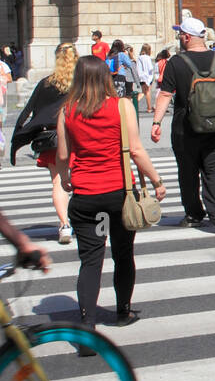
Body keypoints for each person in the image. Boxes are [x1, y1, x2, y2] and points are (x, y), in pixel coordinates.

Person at [57, 55, 167, 328]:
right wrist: (156, 181)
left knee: (90, 262)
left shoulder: (67, 110)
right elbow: (136, 150)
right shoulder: (121, 106)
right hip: (118, 194)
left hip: (85, 197)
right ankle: (123, 312)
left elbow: (62, 155)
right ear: (106, 78)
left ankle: (87, 323)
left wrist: (66, 178)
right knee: (123, 254)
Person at [151, 16, 215, 232]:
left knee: (188, 172)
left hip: (186, 129)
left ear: (186, 37)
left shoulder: (176, 62)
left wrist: (156, 122)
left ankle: (193, 214)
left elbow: (165, 94)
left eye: (180, 34)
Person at [9, 41, 79, 243]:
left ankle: (64, 225)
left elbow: (28, 111)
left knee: (58, 182)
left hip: (52, 139)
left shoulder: (46, 83)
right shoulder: (80, 83)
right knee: (81, 179)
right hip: (77, 137)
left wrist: (18, 136)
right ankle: (84, 222)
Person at [135, 43, 156, 114]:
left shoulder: (139, 57)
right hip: (147, 77)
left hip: (141, 77)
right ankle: (149, 108)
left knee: (144, 92)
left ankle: (135, 103)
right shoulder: (147, 58)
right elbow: (150, 68)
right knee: (147, 92)